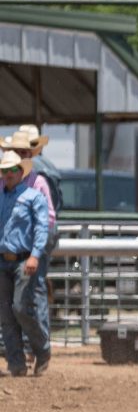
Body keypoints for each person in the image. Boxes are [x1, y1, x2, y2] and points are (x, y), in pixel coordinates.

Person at [1, 126, 57, 353]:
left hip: (31, 248)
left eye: (23, 152)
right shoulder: (5, 186)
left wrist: (36, 249)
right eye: (16, 151)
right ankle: (20, 356)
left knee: (30, 300)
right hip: (9, 250)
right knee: (12, 307)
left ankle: (39, 348)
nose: (20, 155)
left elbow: (49, 219)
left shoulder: (39, 183)